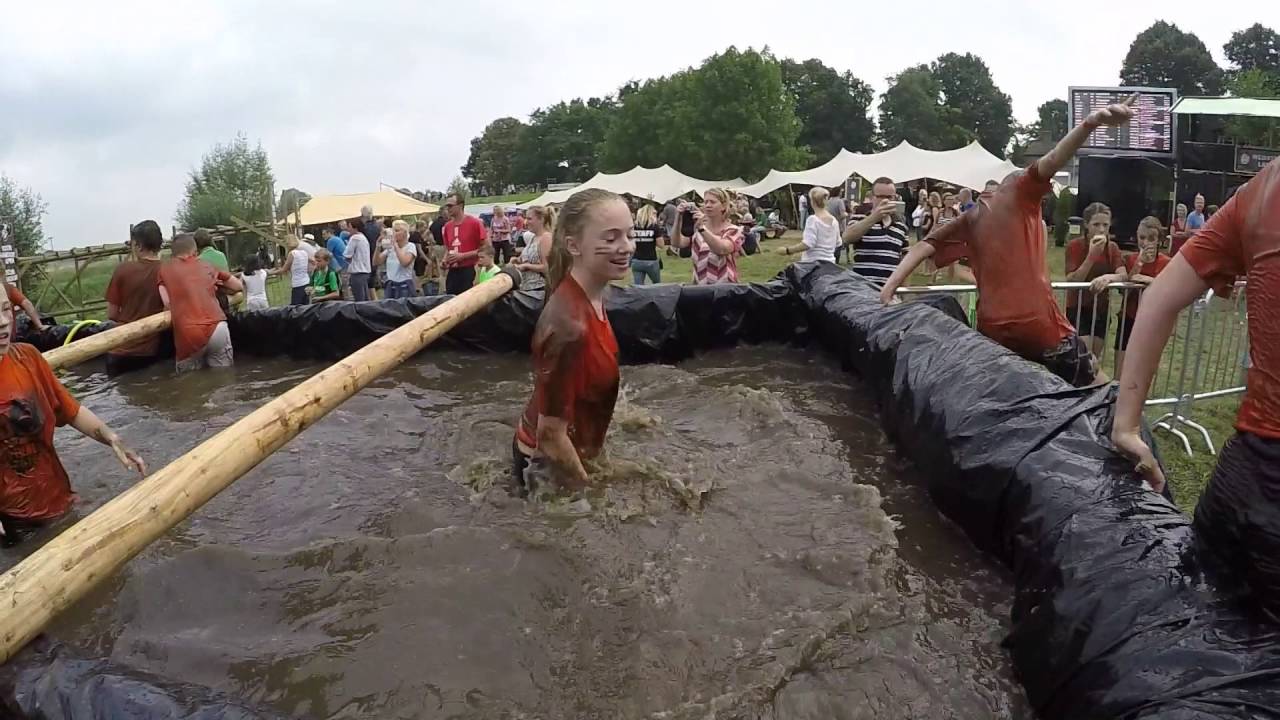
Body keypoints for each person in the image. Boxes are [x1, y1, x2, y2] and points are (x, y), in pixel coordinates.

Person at [1113, 156, 1280, 617]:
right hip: (1250, 483)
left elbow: (1157, 298)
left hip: (1241, 487)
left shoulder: (1261, 188)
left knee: (1190, 625)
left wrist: (1126, 426)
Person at [879, 94, 1138, 386]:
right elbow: (1054, 159)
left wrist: (888, 290)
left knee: (997, 394)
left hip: (993, 330)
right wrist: (1091, 123)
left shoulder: (970, 216)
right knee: (1097, 386)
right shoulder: (1020, 190)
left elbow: (922, 247)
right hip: (1040, 325)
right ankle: (1114, 411)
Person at [513, 189, 633, 495]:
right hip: (544, 468)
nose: (626, 247)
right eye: (611, 238)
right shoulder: (570, 329)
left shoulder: (592, 293)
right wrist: (591, 493)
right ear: (573, 245)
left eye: (629, 235)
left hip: (573, 450)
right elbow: (550, 436)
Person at [0, 293, 145, 544]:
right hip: (13, 521)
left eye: (5, 309)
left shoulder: (27, 358)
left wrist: (112, 438)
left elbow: (71, 410)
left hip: (59, 497)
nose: (3, 321)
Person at [157, 234, 243, 373]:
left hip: (188, 332)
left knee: (190, 382)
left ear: (173, 253)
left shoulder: (164, 270)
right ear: (195, 252)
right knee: (224, 377)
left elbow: (167, 302)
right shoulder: (207, 265)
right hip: (218, 327)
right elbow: (238, 286)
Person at [1064, 202, 1128, 356]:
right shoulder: (1075, 246)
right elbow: (1073, 281)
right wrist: (1091, 256)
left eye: (1105, 225)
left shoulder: (1112, 248)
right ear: (1086, 224)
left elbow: (1123, 274)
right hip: (1078, 308)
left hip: (1101, 309)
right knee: (1084, 356)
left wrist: (1108, 277)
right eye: (1096, 224)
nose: (1101, 230)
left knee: (1094, 358)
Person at [103, 219, 167, 375]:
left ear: (138, 246)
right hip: (151, 353)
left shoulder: (122, 270)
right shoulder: (167, 270)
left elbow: (111, 314)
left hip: (118, 351)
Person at [1113, 217, 1172, 379]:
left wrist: (1150, 281)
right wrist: (1139, 264)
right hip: (1129, 318)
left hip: (1152, 321)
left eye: (1151, 238)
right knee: (1121, 370)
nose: (1146, 242)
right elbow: (1124, 291)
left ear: (1159, 240)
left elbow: (1170, 291)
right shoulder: (1130, 259)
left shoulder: (1167, 263)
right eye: (1142, 237)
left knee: (1143, 371)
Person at [843, 177, 910, 287]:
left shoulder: (901, 225)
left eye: (889, 197)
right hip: (863, 289)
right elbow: (847, 238)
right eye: (881, 196)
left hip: (890, 290)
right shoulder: (860, 218)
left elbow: (905, 261)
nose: (885, 201)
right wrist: (874, 217)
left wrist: (904, 290)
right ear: (872, 197)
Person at [676, 188, 744, 285]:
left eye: (712, 202)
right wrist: (678, 217)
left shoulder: (734, 230)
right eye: (706, 202)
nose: (708, 205)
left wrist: (702, 228)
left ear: (723, 206)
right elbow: (677, 242)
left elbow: (722, 249)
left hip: (725, 287)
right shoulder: (698, 229)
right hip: (700, 286)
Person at [777, 186, 839, 263]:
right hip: (830, 263)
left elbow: (808, 244)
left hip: (812, 264)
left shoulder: (813, 220)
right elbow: (838, 242)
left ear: (812, 202)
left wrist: (787, 250)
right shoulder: (834, 221)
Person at [442, 194, 489, 295]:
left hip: (470, 269)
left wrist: (463, 256)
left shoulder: (474, 223)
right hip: (453, 272)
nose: (448, 209)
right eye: (447, 206)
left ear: (460, 205)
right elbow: (448, 248)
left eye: (450, 206)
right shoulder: (447, 226)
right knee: (451, 299)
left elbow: (486, 248)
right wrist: (445, 260)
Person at [374, 219, 419, 299]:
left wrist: (395, 245)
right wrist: (378, 245)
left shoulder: (410, 246)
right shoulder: (390, 248)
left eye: (397, 231)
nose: (394, 233)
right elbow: (376, 262)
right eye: (393, 231)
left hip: (404, 285)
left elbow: (404, 262)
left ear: (405, 233)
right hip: (390, 285)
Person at [514, 205, 554, 291]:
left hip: (540, 289)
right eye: (526, 218)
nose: (526, 222)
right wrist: (518, 260)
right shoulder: (533, 238)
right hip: (528, 288)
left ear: (541, 219)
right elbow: (532, 259)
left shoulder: (546, 238)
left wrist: (527, 266)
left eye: (529, 219)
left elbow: (547, 268)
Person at [630, 204, 667, 284]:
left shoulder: (634, 227)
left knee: (638, 286)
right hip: (651, 260)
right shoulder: (654, 227)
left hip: (636, 260)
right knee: (657, 284)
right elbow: (661, 245)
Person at [343, 223, 373, 302]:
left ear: (354, 227)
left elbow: (347, 255)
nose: (348, 229)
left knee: (359, 299)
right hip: (365, 272)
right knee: (365, 298)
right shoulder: (363, 237)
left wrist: (348, 259)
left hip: (357, 272)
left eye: (349, 227)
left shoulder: (355, 238)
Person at [280, 237, 312, 306]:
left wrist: (268, 272)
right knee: (306, 306)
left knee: (295, 307)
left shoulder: (292, 253)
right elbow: (313, 261)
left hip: (298, 284)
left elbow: (283, 269)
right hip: (306, 282)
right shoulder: (304, 252)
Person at [323, 227, 349, 297]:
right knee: (345, 284)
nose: (323, 236)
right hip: (345, 262)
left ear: (329, 233)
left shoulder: (331, 240)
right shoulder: (337, 238)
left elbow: (328, 254)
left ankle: (346, 299)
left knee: (343, 284)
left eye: (324, 234)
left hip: (341, 264)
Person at [826, 188, 848, 264]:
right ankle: (836, 261)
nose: (841, 193)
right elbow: (843, 214)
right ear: (838, 192)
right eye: (841, 192)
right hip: (839, 225)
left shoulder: (828, 201)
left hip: (829, 225)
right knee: (838, 244)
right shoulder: (839, 201)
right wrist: (846, 214)